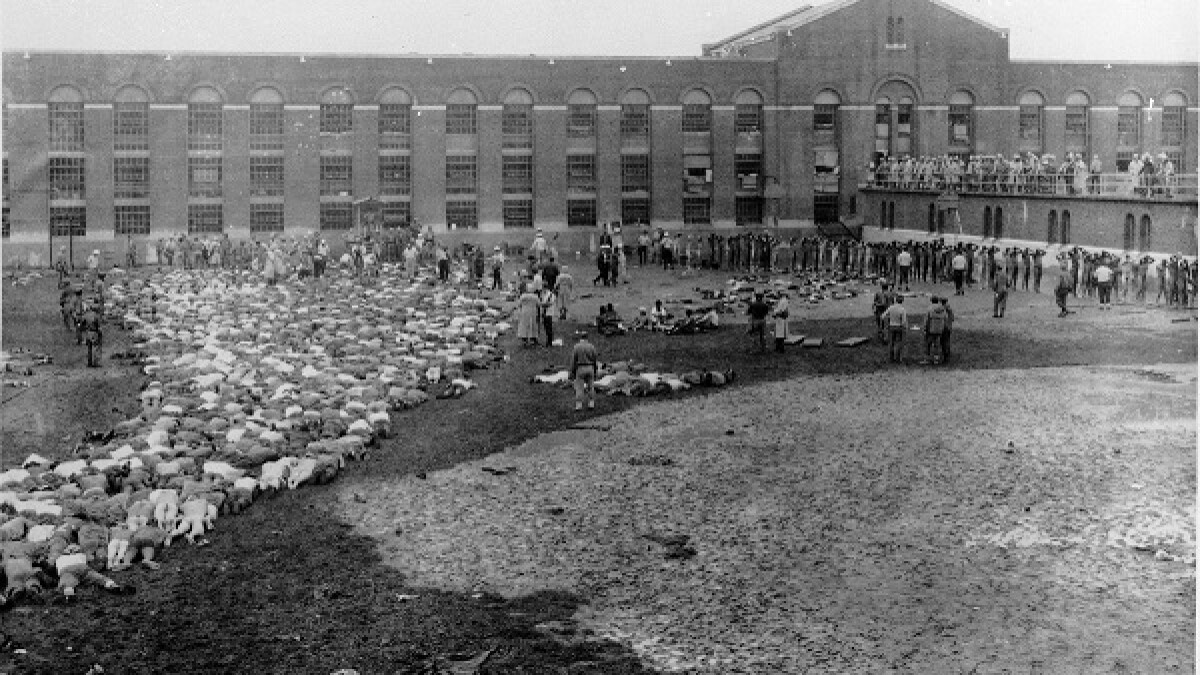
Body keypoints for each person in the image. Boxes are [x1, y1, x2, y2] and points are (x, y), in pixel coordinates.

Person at [569, 330, 598, 411]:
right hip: (590, 367)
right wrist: (595, 370)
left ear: (580, 337)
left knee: (579, 387)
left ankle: (579, 405)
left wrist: (572, 371)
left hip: (580, 368)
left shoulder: (576, 347)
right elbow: (595, 359)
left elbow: (573, 360)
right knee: (591, 386)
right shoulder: (591, 346)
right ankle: (591, 403)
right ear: (587, 337)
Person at [880, 295, 908, 363]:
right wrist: (905, 328)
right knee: (898, 342)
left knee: (891, 342)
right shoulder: (902, 309)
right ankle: (898, 358)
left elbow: (882, 316)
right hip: (899, 327)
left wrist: (889, 317)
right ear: (902, 301)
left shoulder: (891, 307)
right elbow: (904, 321)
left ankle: (891, 358)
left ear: (896, 300)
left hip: (891, 326)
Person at [923, 296, 948, 364]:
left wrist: (925, 328)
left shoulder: (929, 309)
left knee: (928, 344)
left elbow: (926, 319)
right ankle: (936, 359)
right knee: (937, 344)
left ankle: (927, 359)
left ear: (931, 301)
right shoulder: (942, 309)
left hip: (931, 328)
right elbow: (946, 318)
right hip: (940, 329)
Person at [516, 281, 540, 347]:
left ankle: (524, 339)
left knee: (524, 325)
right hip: (532, 311)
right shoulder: (535, 296)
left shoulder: (523, 296)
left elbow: (519, 304)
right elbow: (538, 304)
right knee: (533, 325)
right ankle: (533, 338)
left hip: (524, 311)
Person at [938, 296, 955, 363]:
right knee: (947, 341)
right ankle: (947, 354)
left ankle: (945, 356)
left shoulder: (941, 309)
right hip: (949, 327)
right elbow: (953, 318)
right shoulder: (949, 309)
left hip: (943, 327)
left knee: (943, 342)